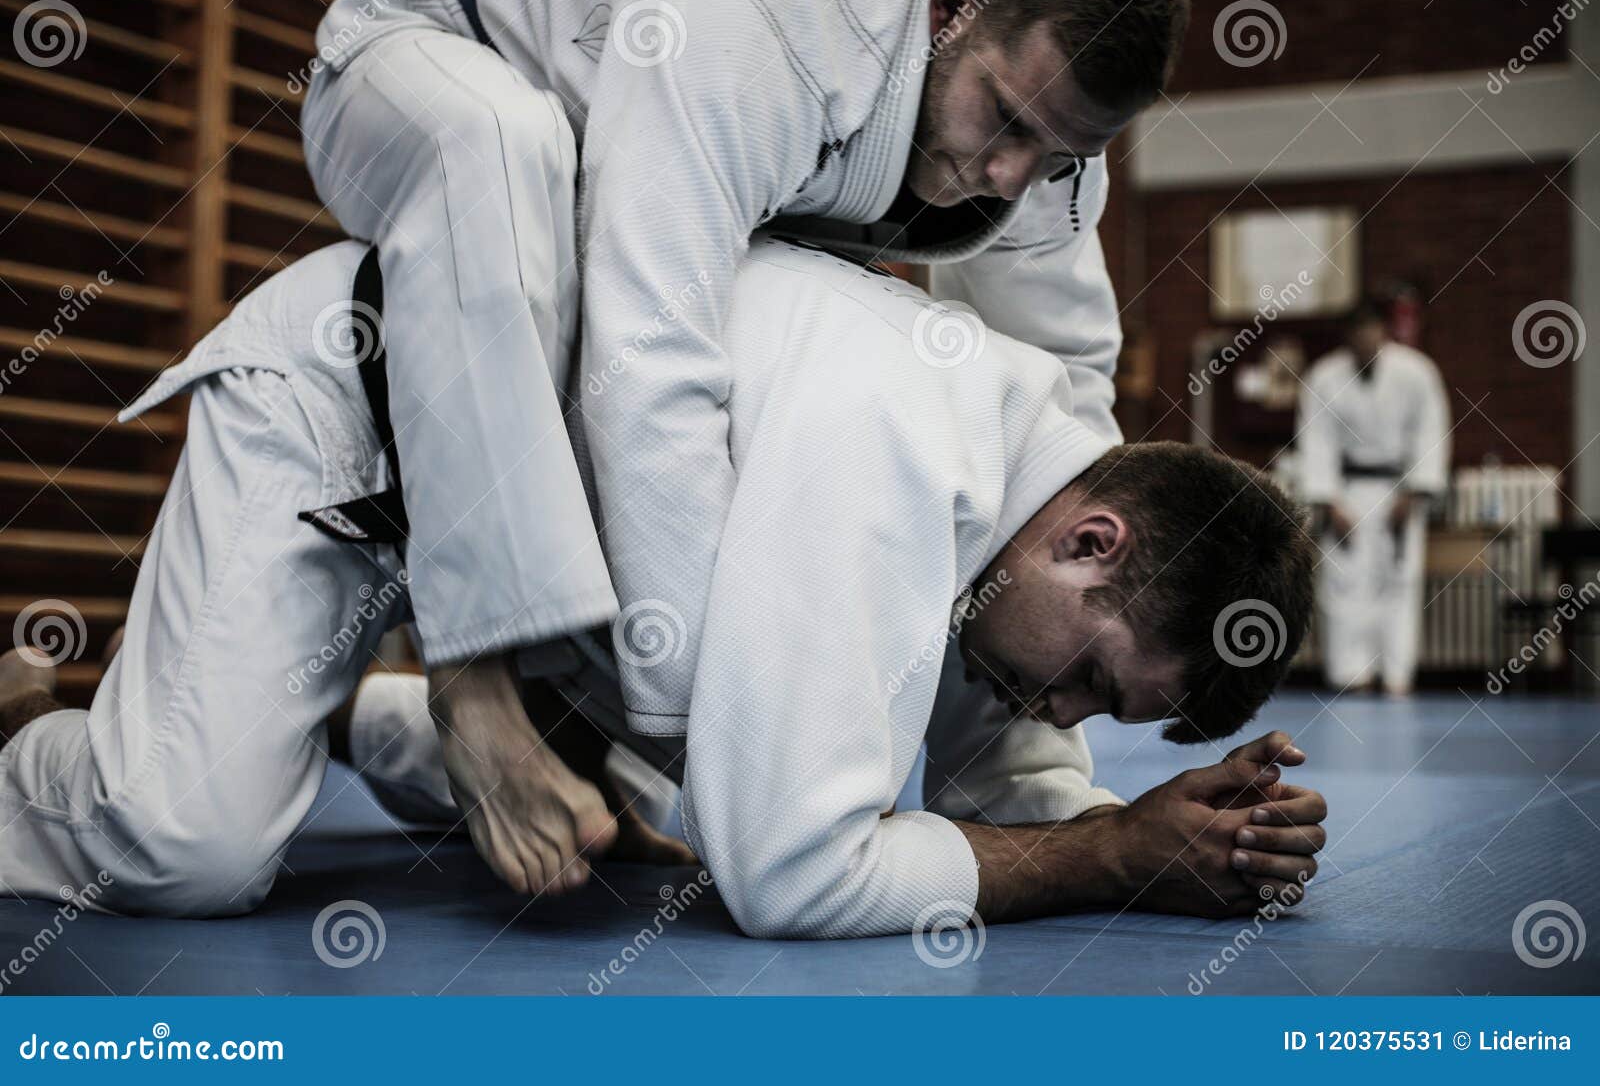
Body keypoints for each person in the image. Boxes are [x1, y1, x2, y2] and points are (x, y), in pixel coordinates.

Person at [0, 237, 1323, 932]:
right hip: (368, 413)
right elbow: (793, 878)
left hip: (553, 565)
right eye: (1090, 681)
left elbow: (1009, 774)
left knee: (671, 751)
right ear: (1091, 541)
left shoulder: (1028, 510)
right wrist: (1103, 856)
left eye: (1099, 713)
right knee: (186, 853)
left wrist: (1173, 834)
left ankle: (357, 717)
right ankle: (24, 729)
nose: (1063, 710)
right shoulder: (900, 447)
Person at [297, 0, 1191, 891]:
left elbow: (1064, 455)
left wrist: (1044, 795)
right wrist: (726, 742)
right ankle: (472, 681)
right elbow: (652, 358)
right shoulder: (768, 16)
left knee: (987, 486)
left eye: (1058, 156)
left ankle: (442, 727)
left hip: (608, 185)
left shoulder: (1046, 139)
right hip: (418, 62)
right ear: (953, 7)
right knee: (503, 145)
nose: (1014, 175)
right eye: (1006, 120)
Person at [1296, 306, 1452, 696]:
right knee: (1343, 582)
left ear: (1383, 330)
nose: (1364, 339)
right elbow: (1316, 440)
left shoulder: (1416, 371)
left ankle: (1397, 676)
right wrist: (1327, 499)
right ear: (1347, 335)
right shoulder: (1324, 375)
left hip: (1400, 489)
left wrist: (1415, 491)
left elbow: (1431, 431)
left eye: (1370, 329)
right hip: (1346, 489)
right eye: (1357, 332)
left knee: (1399, 581)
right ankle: (1351, 675)